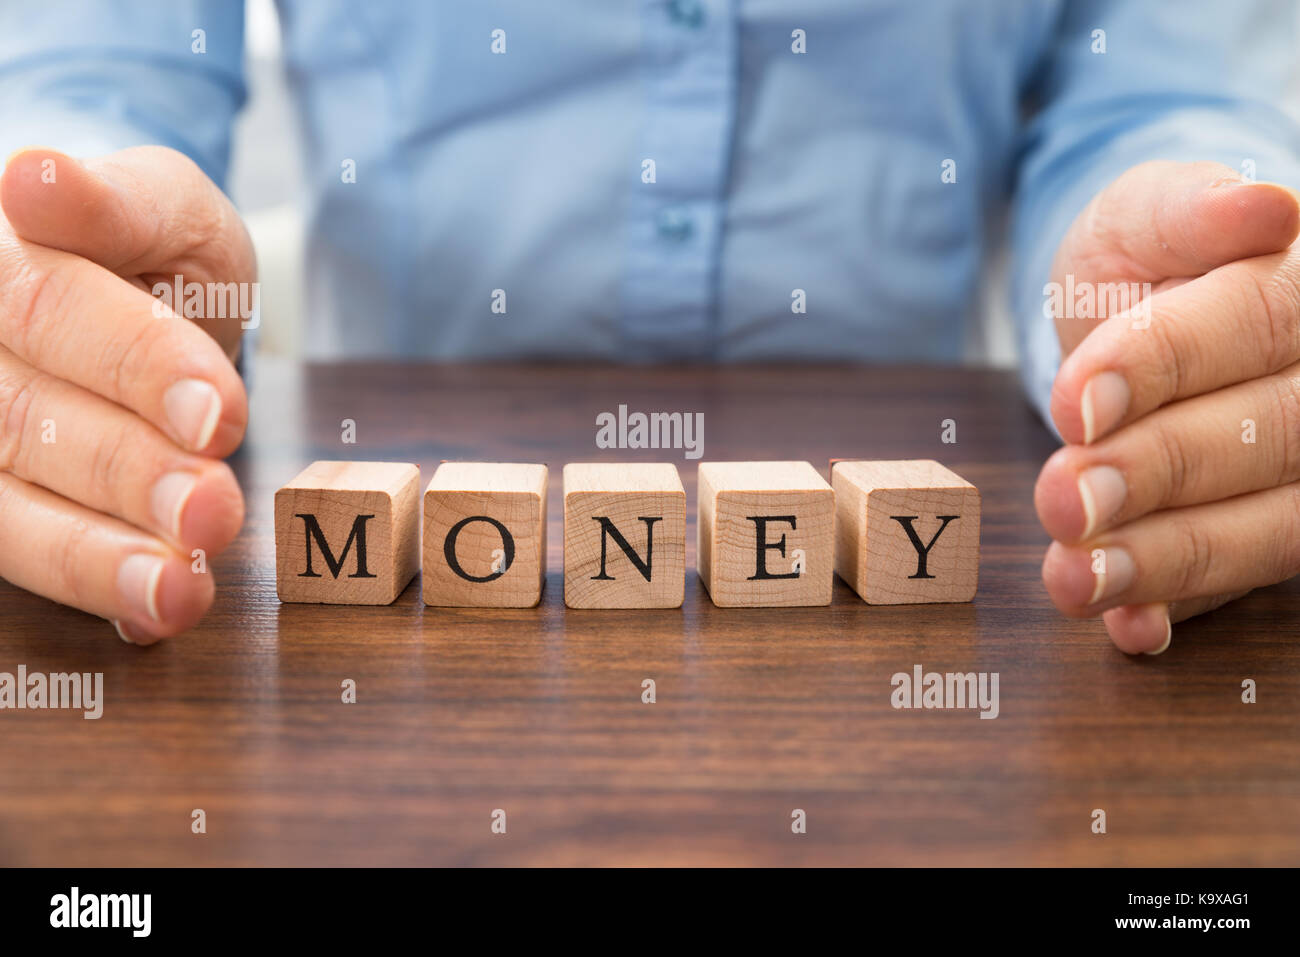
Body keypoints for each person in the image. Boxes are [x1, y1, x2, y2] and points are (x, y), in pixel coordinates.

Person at [1, 1, 1298, 653]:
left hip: (939, 529)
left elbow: (1163, 90)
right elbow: (87, 75)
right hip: (381, 511)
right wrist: (73, 275)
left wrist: (1196, 283)